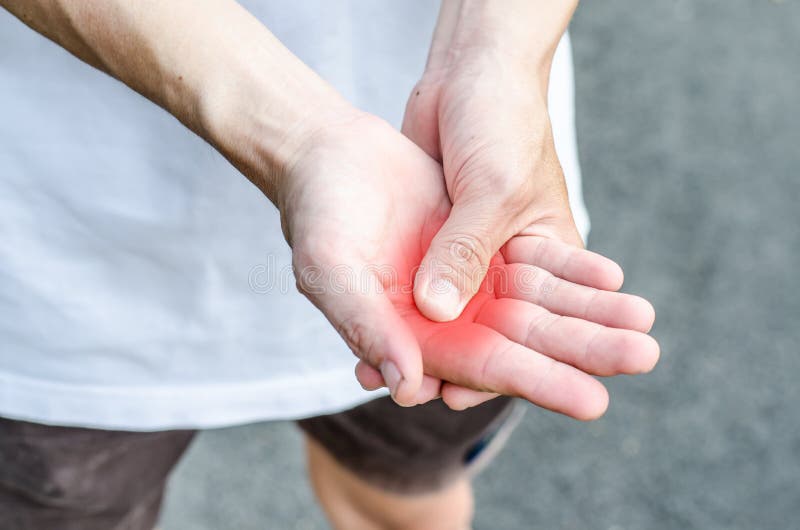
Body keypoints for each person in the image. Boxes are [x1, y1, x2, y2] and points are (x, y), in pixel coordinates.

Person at [0, 1, 659, 529]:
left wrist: (496, 59)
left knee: (400, 504)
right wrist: (301, 136)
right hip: (66, 267)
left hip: (463, 216)